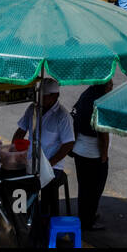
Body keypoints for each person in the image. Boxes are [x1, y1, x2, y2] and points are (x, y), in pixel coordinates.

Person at [12, 79, 74, 220]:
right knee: (16, 181)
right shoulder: (32, 108)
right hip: (30, 159)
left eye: (43, 96)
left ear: (55, 96)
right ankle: (21, 218)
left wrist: (49, 164)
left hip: (52, 166)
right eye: (38, 95)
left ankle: (47, 222)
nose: (39, 99)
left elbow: (68, 144)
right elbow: (20, 131)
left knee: (46, 188)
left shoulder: (63, 116)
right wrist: (14, 151)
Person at [71, 80, 113, 232]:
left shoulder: (85, 95)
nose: (112, 88)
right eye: (110, 85)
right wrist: (104, 157)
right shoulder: (99, 103)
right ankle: (88, 221)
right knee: (95, 189)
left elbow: (74, 119)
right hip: (93, 154)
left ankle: (85, 217)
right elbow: (103, 135)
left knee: (84, 188)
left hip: (80, 151)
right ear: (104, 87)